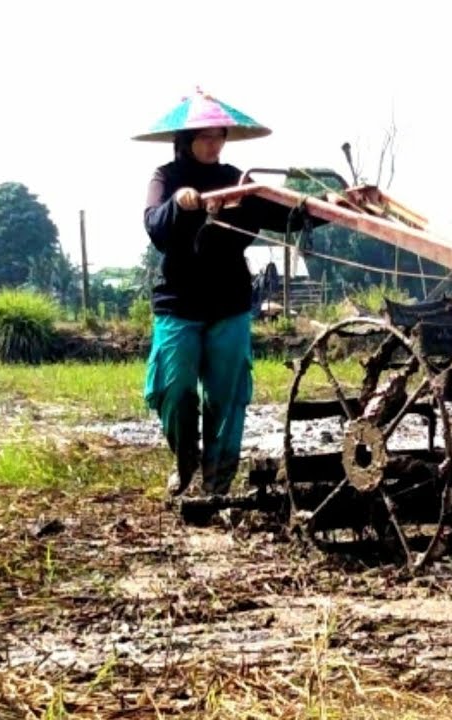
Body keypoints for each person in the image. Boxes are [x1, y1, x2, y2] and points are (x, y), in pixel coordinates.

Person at [132, 88, 319, 498]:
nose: (213, 144)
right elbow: (155, 227)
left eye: (219, 136)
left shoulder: (237, 180)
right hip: (179, 304)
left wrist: (324, 208)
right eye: (205, 137)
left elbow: (281, 214)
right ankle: (185, 459)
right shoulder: (166, 178)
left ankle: (217, 483)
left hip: (229, 302)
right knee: (175, 390)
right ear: (186, 140)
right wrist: (179, 203)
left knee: (226, 396)